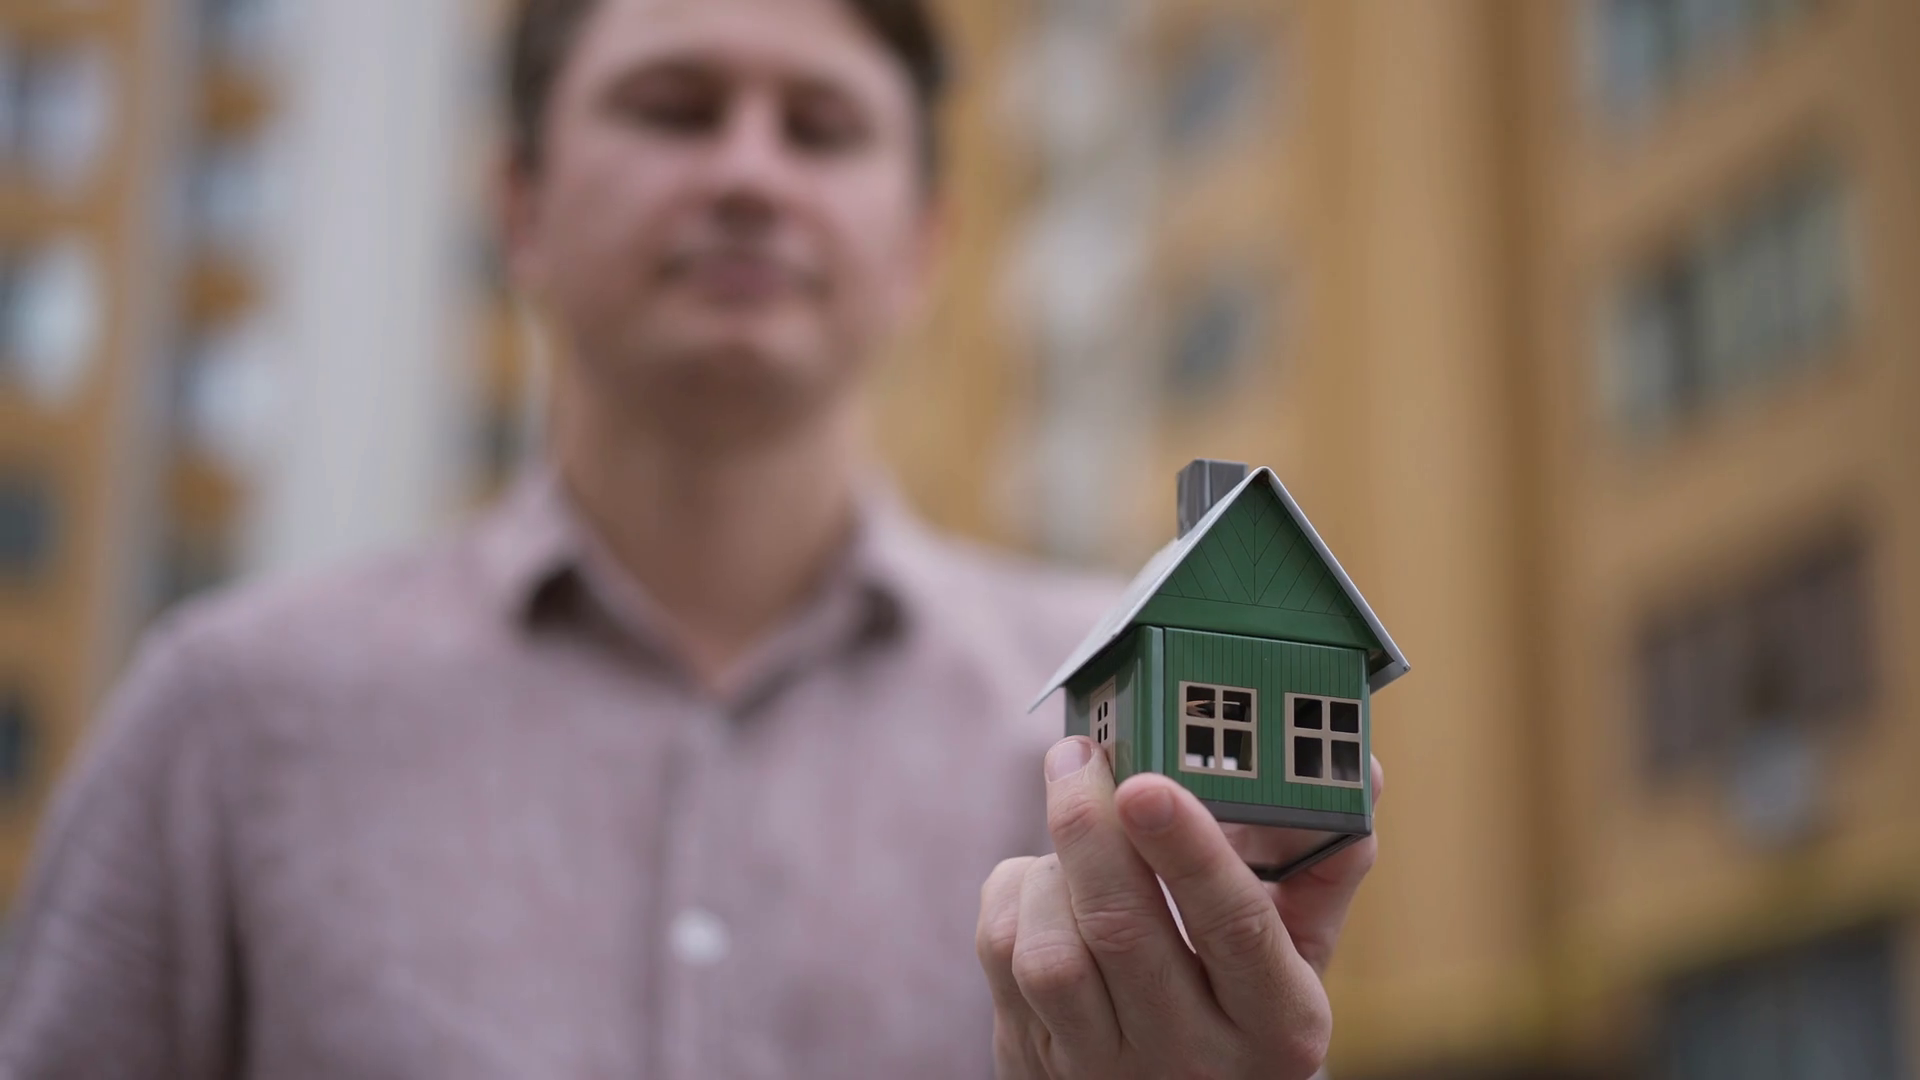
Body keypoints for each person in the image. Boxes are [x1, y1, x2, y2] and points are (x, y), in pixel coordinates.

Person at [0, 0, 1381, 1076]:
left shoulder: (1112, 725)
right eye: (673, 109)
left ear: (922, 247)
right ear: (520, 210)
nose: (746, 171)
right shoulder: (228, 714)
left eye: (822, 127)